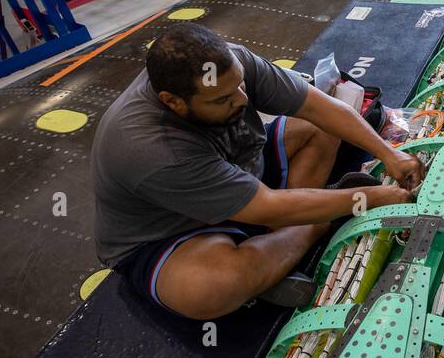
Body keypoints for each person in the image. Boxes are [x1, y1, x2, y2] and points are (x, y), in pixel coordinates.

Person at [90, 23, 424, 320]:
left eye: (240, 86)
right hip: (172, 230)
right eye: (222, 99)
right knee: (213, 287)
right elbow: (266, 205)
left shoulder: (229, 66)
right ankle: (311, 227)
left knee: (321, 124)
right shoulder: (149, 147)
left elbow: (317, 105)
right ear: (173, 102)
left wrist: (389, 153)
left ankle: (276, 247)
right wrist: (366, 198)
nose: (240, 99)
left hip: (237, 175)